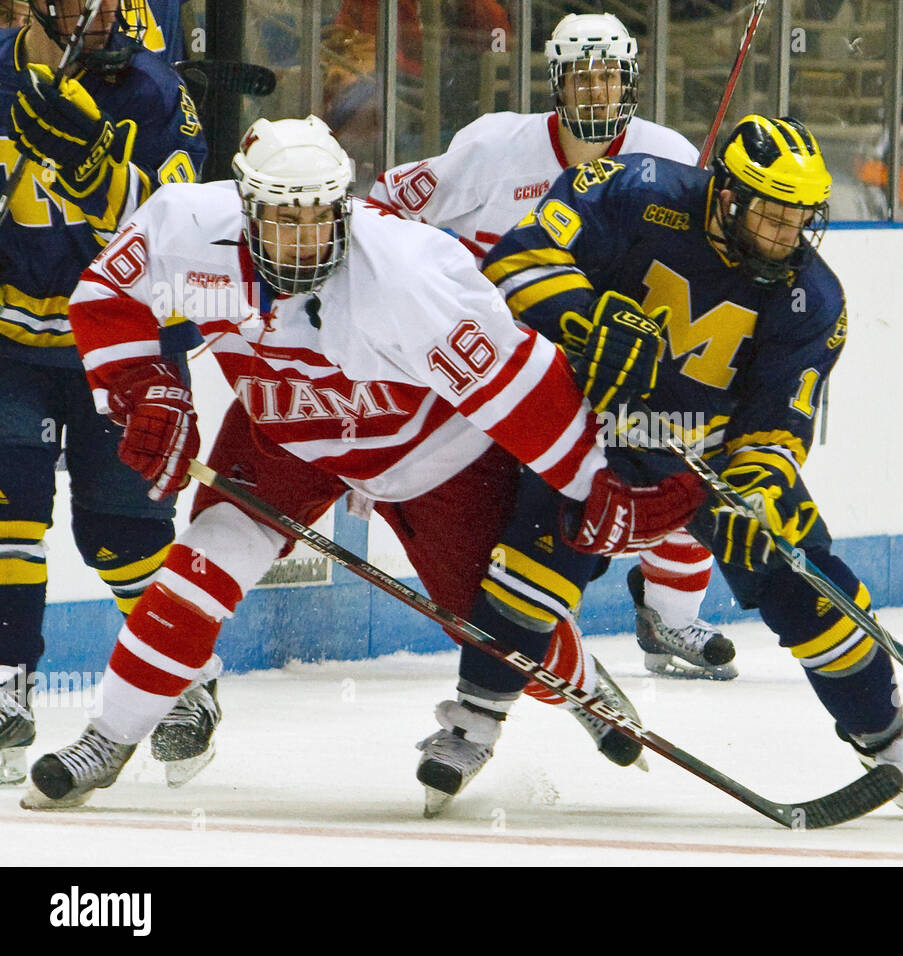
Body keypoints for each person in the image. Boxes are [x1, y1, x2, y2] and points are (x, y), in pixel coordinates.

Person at [20, 115, 702, 810]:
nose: (305, 236)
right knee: (202, 563)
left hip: (435, 456)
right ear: (247, 208)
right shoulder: (185, 225)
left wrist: (599, 484)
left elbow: (521, 391)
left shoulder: (409, 276)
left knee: (489, 627)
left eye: (321, 215)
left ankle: (582, 684)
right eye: (284, 218)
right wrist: (144, 388)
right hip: (283, 436)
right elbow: (107, 295)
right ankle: (107, 738)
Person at [442, 114, 903, 819]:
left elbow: (781, 421)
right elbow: (515, 261)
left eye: (800, 217)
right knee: (535, 567)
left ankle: (893, 748)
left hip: (718, 458)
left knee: (816, 589)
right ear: (726, 196)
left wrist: (758, 488)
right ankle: (470, 725)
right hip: (600, 430)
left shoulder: (813, 298)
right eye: (771, 213)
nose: (788, 233)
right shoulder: (634, 190)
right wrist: (586, 318)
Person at [371, 11, 738, 682]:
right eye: (581, 78)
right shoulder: (492, 148)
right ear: (556, 84)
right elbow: (386, 203)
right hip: (506, 375)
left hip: (617, 367)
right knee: (523, 519)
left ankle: (669, 617)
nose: (596, 92)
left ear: (630, 82)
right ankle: (523, 642)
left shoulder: (671, 156)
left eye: (609, 77)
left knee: (686, 459)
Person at [0, 0, 208, 788]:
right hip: (10, 340)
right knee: (7, 504)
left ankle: (183, 683)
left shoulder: (154, 93)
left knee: (123, 540)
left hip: (121, 345)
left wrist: (95, 173)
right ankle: (5, 689)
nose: (110, 9)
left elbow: (180, 236)